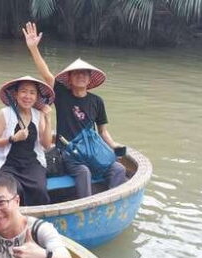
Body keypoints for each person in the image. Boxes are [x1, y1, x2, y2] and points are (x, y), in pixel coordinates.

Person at [23, 22, 127, 199]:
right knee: (83, 172)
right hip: (69, 153)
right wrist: (33, 48)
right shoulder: (62, 95)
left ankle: (110, 200)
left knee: (119, 169)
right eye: (76, 73)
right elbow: (46, 74)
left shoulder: (97, 101)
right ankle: (86, 205)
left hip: (93, 150)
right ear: (69, 79)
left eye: (84, 73)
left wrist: (113, 145)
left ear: (89, 79)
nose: (81, 76)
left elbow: (102, 131)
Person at [0, 76, 55, 206]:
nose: (27, 96)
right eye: (23, 91)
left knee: (40, 189)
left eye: (32, 92)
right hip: (8, 164)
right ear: (16, 94)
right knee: (14, 190)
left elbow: (46, 145)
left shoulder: (38, 115)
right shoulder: (5, 113)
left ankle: (37, 220)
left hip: (32, 163)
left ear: (37, 97)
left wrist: (48, 119)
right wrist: (13, 138)